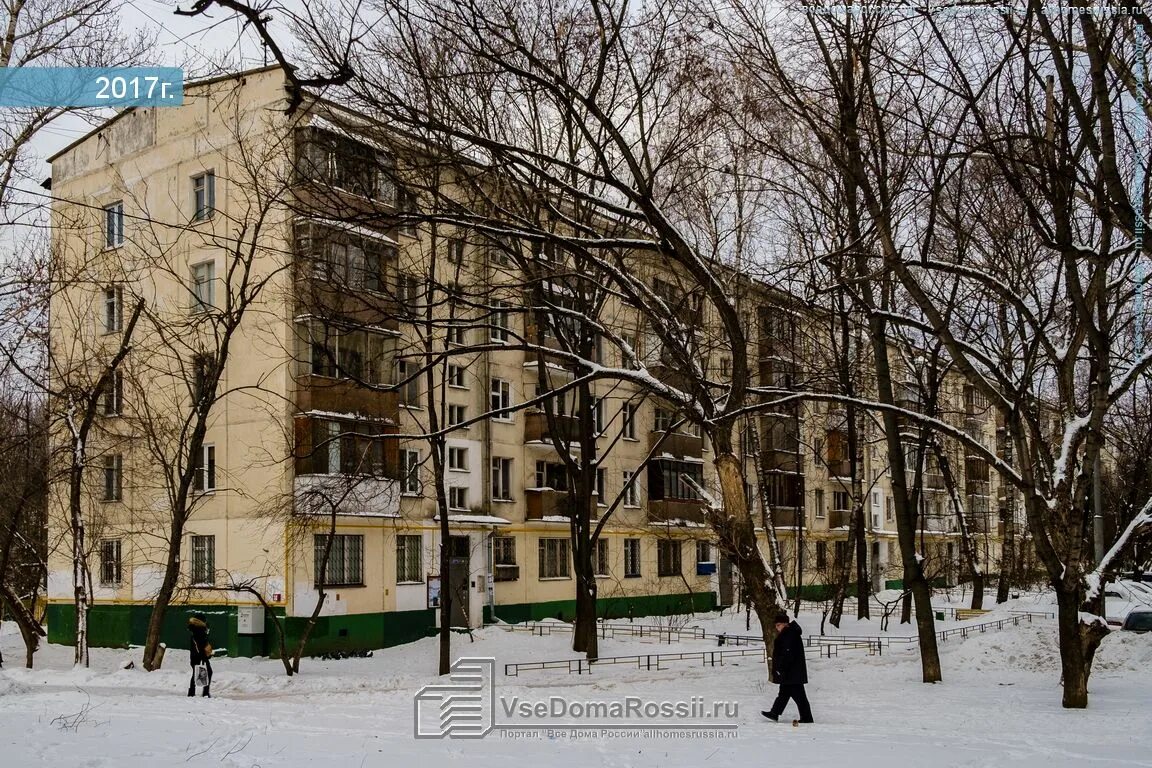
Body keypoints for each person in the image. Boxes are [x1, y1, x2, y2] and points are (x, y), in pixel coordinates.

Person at [762, 612, 813, 723]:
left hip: (791, 672)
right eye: (776, 625)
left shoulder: (788, 635)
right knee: (785, 694)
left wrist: (781, 668)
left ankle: (806, 718)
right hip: (792, 672)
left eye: (778, 625)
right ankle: (774, 713)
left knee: (798, 696)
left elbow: (786, 654)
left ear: (785, 624)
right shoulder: (790, 633)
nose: (777, 628)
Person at [187, 612, 213, 698]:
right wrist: (205, 656)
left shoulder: (195, 629)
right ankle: (205, 692)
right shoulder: (200, 630)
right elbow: (200, 645)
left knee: (196, 673)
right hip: (200, 655)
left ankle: (192, 692)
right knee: (207, 671)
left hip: (195, 655)